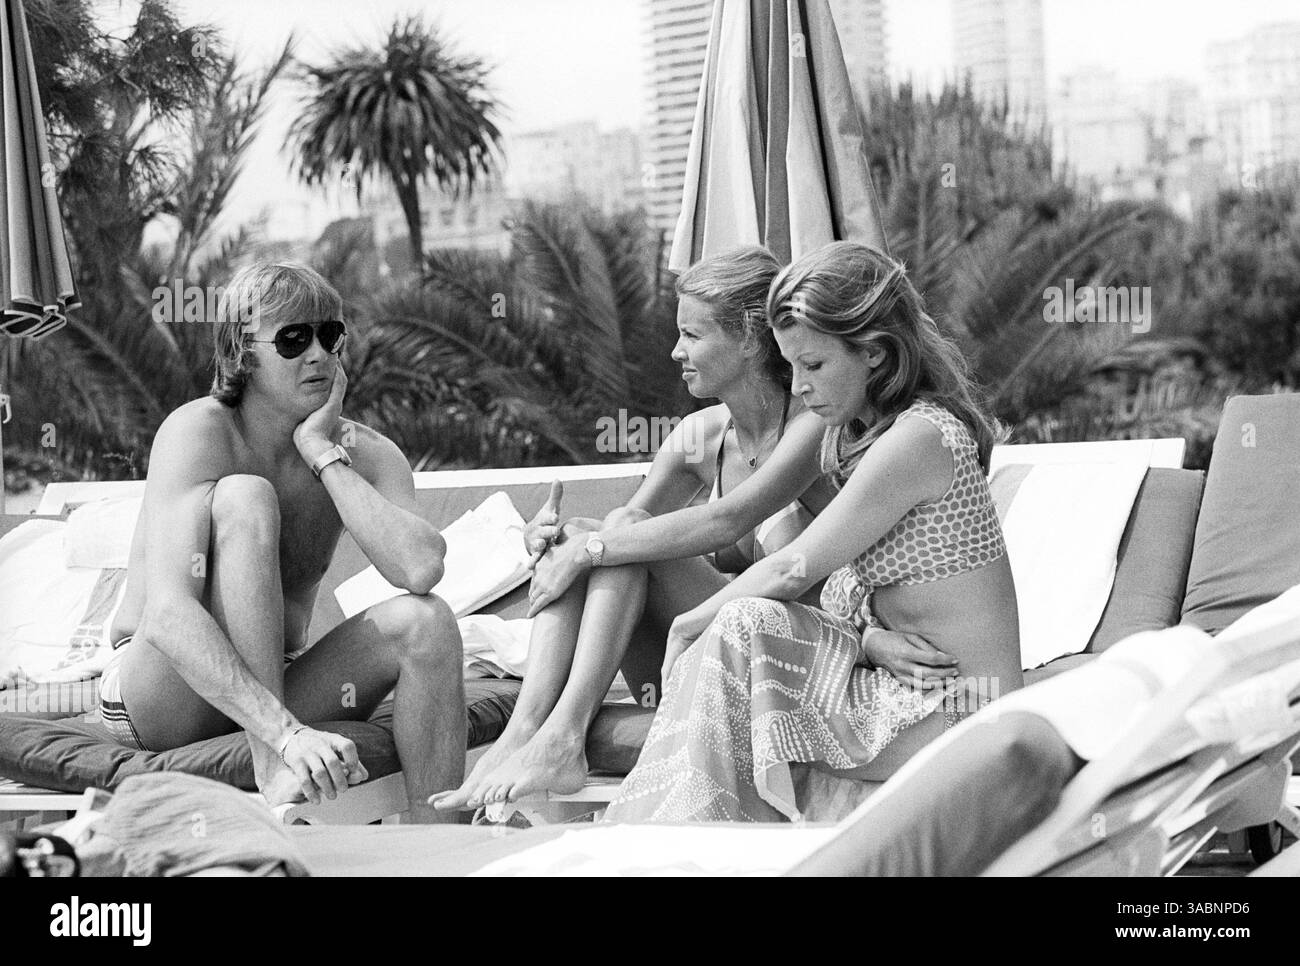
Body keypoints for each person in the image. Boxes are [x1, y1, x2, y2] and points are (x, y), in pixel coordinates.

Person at [605, 241, 1023, 824]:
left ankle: (683, 835)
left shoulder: (920, 438)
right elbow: (842, 588)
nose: (798, 386)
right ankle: (688, 829)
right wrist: (868, 640)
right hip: (900, 688)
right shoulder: (859, 437)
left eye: (815, 365)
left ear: (874, 353)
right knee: (750, 632)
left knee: (743, 623)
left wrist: (687, 625)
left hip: (962, 708)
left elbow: (792, 568)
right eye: (791, 366)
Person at [431, 246, 854, 812]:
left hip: (794, 665)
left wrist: (591, 546)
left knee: (611, 538)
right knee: (594, 533)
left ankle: (561, 733)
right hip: (702, 656)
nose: (676, 351)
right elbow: (615, 540)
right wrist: (555, 540)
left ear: (753, 338)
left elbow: (727, 519)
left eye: (692, 335)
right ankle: (529, 731)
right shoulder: (700, 438)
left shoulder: (810, 428)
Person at [104, 263, 466, 823]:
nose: (318, 354)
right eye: (293, 339)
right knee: (247, 496)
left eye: (330, 335)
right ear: (240, 353)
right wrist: (285, 735)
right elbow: (168, 616)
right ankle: (270, 759)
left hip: (275, 679)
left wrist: (322, 452)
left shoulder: (364, 453)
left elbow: (420, 569)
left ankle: (440, 846)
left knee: (427, 622)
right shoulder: (198, 431)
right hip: (164, 692)